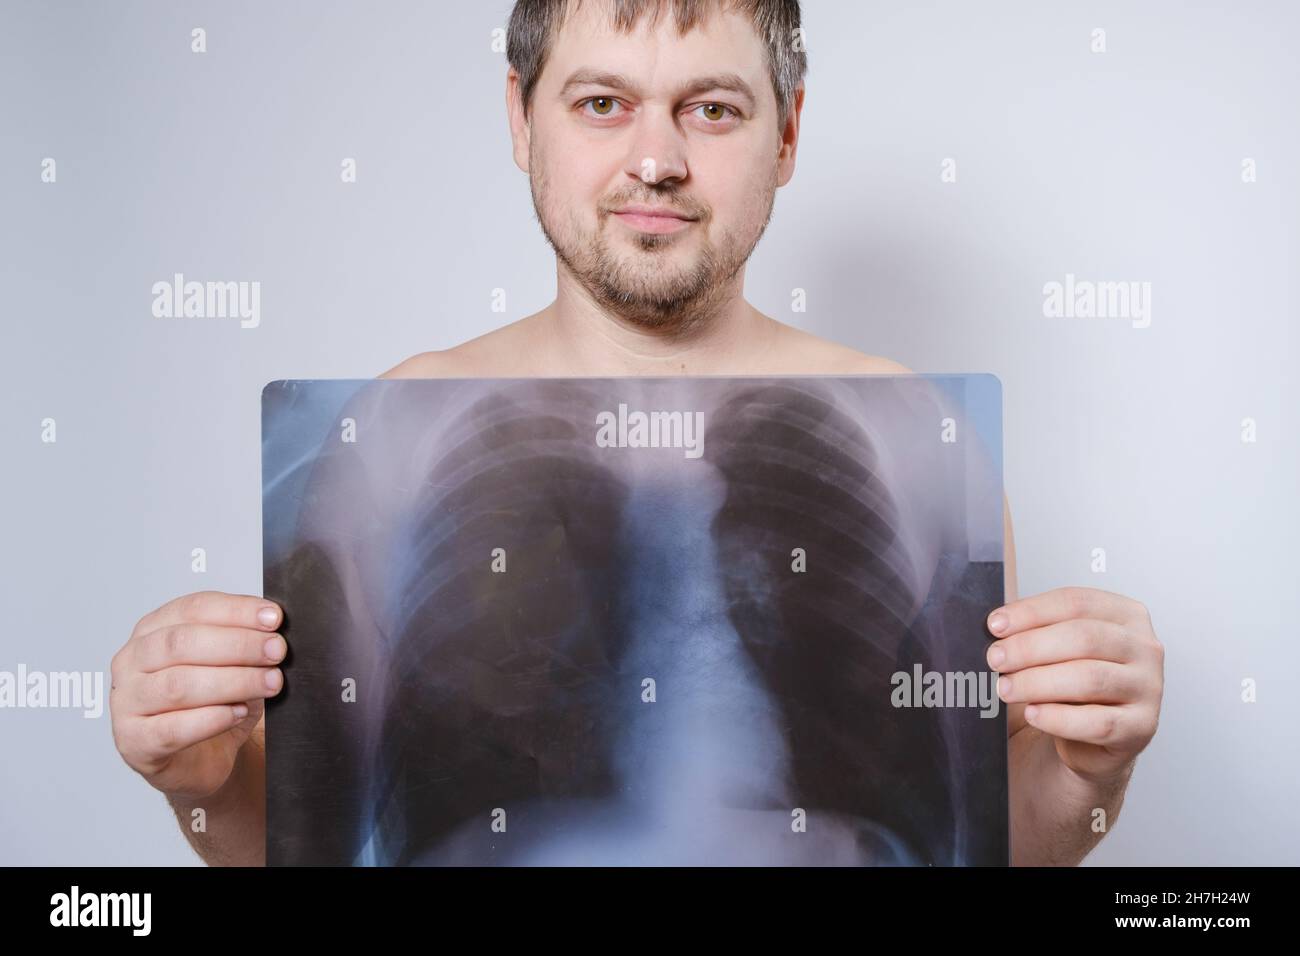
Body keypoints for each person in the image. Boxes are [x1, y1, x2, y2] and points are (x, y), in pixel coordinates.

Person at [109, 0, 1164, 866]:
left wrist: (1086, 770)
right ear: (521, 120)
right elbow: (297, 848)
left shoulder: (917, 440)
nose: (653, 160)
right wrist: (196, 782)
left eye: (710, 109)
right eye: (602, 102)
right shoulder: (387, 439)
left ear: (787, 133)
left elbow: (1007, 843)